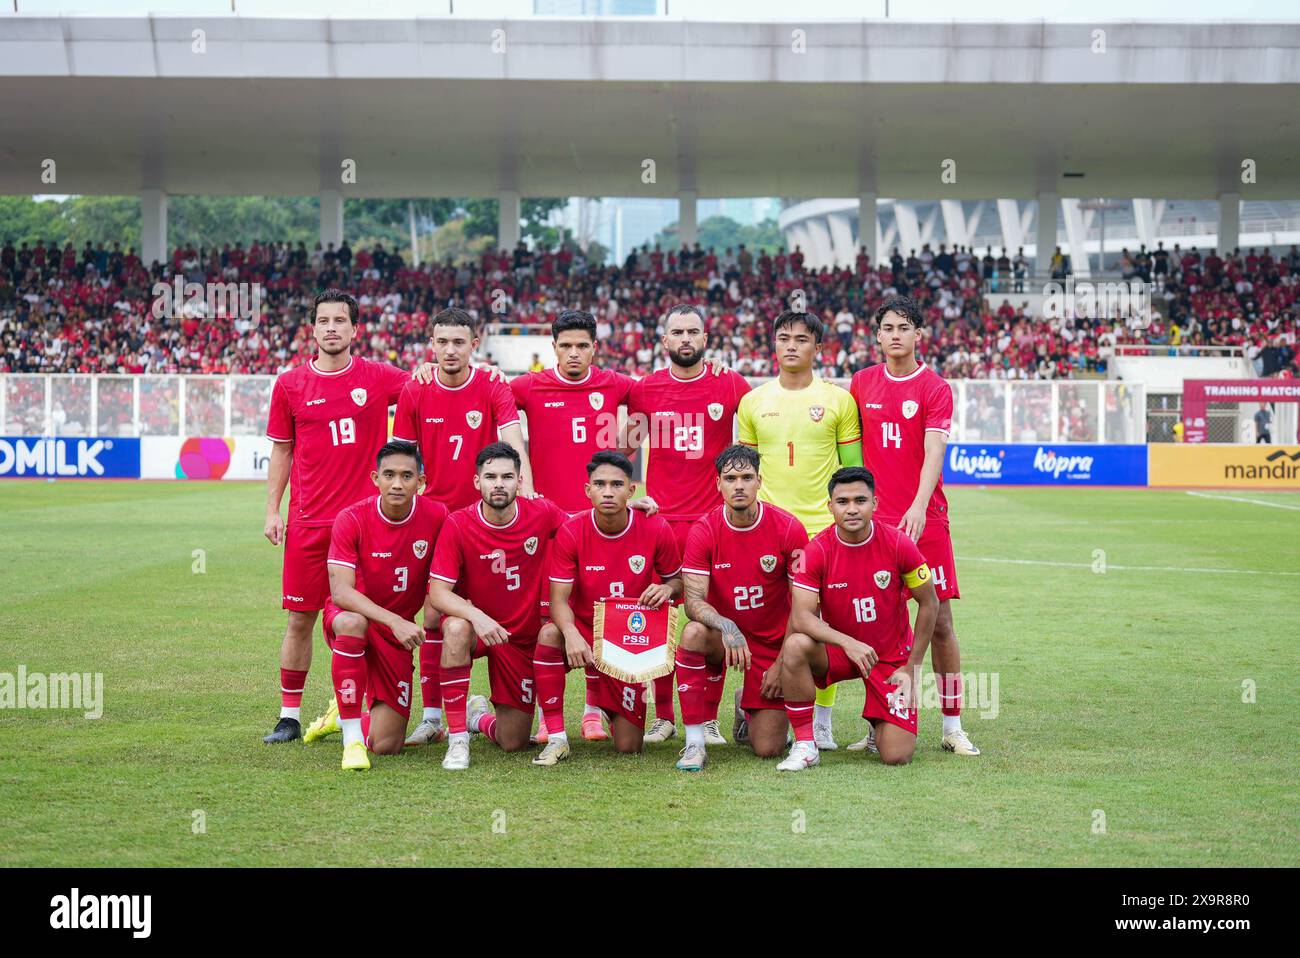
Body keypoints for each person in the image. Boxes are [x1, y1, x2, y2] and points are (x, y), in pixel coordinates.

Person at [261, 289, 434, 744]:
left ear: (355, 330)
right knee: (300, 618)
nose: (332, 327)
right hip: (309, 523)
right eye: (324, 320)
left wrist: (430, 368)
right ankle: (289, 715)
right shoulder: (290, 384)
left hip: (365, 528)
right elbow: (282, 451)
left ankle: (356, 705)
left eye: (341, 320)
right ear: (313, 329)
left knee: (364, 620)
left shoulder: (377, 377)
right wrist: (273, 511)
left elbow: (425, 389)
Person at [391, 307, 534, 748]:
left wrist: (524, 493)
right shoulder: (415, 390)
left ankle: (498, 712)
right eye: (442, 342)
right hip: (433, 518)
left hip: (482, 519)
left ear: (475, 345)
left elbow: (512, 438)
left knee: (511, 607)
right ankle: (434, 717)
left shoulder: (492, 384)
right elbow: (402, 460)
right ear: (431, 345)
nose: (450, 350)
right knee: (435, 613)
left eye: (459, 342)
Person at [849, 294, 979, 756]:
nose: (896, 334)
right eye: (888, 327)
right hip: (874, 525)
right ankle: (877, 724)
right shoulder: (861, 383)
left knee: (940, 621)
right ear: (878, 335)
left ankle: (952, 725)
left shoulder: (935, 387)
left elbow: (934, 452)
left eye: (905, 326)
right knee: (879, 627)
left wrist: (920, 505)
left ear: (918, 335)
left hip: (926, 522)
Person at [736, 309, 863, 750]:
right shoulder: (753, 401)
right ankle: (752, 700)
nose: (792, 345)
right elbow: (745, 473)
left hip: (821, 532)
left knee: (817, 625)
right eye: (784, 337)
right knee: (765, 619)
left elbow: (853, 474)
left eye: (802, 339)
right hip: (766, 530)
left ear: (817, 347)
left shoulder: (838, 401)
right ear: (774, 344)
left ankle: (821, 722)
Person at [626, 303, 750, 744]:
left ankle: (710, 717)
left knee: (708, 620)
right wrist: (628, 493)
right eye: (676, 332)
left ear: (705, 337)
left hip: (711, 525)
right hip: (660, 523)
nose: (685, 339)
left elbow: (757, 431)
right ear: (664, 342)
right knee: (660, 618)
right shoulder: (645, 390)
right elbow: (623, 450)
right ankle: (663, 717)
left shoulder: (730, 382)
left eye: (692, 332)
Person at [777, 467, 939, 771]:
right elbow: (801, 617)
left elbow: (929, 603)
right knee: (796, 645)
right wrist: (847, 642)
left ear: (875, 504)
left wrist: (913, 666)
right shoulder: (817, 550)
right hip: (839, 653)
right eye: (843, 501)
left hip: (890, 658)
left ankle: (880, 720)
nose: (852, 509)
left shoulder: (899, 543)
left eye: (860, 500)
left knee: (896, 755)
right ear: (830, 506)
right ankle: (805, 744)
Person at [532, 452, 683, 765]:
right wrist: (571, 632)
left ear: (632, 490)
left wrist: (668, 588)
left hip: (627, 638)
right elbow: (558, 600)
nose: (608, 491)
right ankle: (557, 738)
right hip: (585, 630)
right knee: (549, 633)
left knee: (629, 746)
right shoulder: (572, 532)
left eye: (617, 484)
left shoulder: (655, 527)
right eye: (600, 484)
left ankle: (610, 704)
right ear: (588, 490)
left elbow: (677, 580)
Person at [427, 443, 571, 770]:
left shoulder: (542, 513)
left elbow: (582, 527)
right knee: (454, 626)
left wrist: (628, 508)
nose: (499, 484)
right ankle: (458, 740)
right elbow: (438, 593)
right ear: (477, 481)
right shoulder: (458, 523)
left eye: (507, 476)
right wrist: (477, 616)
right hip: (478, 631)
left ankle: (477, 718)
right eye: (490, 476)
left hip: (518, 640)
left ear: (520, 481)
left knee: (513, 742)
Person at [318, 441, 448, 770]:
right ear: (375, 478)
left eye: (407, 476)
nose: (396, 483)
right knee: (352, 623)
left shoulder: (436, 516)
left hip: (396, 631)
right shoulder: (351, 518)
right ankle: (351, 742)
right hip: (354, 615)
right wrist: (395, 621)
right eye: (388, 475)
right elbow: (342, 593)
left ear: (421, 481)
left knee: (388, 745)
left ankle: (344, 714)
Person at [676, 445, 808, 770]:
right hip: (725, 638)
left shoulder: (789, 528)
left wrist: (781, 662)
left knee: (768, 749)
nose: (739, 485)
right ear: (717, 483)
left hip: (771, 644)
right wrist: (726, 626)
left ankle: (744, 706)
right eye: (730, 478)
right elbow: (693, 602)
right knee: (692, 633)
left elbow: (803, 607)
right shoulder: (703, 531)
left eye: (747, 477)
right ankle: (694, 742)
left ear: (759, 481)